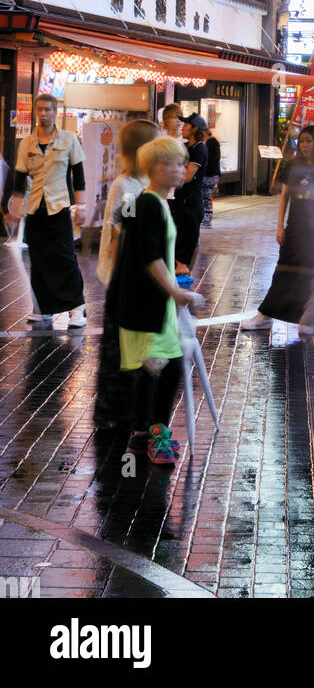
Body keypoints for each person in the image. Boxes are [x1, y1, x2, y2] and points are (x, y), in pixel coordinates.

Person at [110, 135, 202, 465]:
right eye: (171, 163)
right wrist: (175, 290)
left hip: (148, 306)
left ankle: (142, 435)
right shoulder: (148, 202)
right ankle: (154, 438)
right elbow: (149, 256)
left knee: (158, 369)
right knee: (162, 369)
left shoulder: (157, 202)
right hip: (146, 307)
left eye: (181, 163)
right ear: (153, 168)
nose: (179, 169)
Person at [243, 125, 314, 331]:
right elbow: (284, 197)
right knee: (284, 271)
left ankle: (309, 319)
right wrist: (280, 226)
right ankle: (266, 314)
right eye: (302, 141)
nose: (305, 145)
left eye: (309, 141)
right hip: (295, 227)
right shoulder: (293, 165)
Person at [94, 119, 160, 428]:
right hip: (124, 279)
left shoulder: (140, 183)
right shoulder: (129, 187)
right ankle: (116, 414)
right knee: (120, 348)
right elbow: (122, 234)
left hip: (128, 278)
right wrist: (125, 279)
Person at [8, 95, 87, 329]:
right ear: (35, 112)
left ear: (55, 112)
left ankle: (77, 308)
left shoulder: (69, 139)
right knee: (39, 259)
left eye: (48, 110)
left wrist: (80, 208)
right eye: (40, 109)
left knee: (65, 257)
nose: (43, 114)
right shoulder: (27, 143)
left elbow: (79, 178)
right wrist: (14, 208)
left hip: (59, 207)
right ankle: (42, 309)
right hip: (35, 209)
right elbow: (20, 179)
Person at [171, 114, 207, 280]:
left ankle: (182, 270)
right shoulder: (184, 146)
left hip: (190, 202)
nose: (182, 128)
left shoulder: (200, 149)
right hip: (180, 200)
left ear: (195, 129)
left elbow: (187, 176)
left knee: (187, 239)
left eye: (186, 125)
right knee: (177, 237)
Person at [200, 127, 221, 228]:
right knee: (206, 197)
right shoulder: (214, 142)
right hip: (213, 174)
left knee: (206, 198)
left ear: (205, 134)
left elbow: (208, 159)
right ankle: (206, 220)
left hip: (209, 175)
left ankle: (207, 221)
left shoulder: (210, 143)